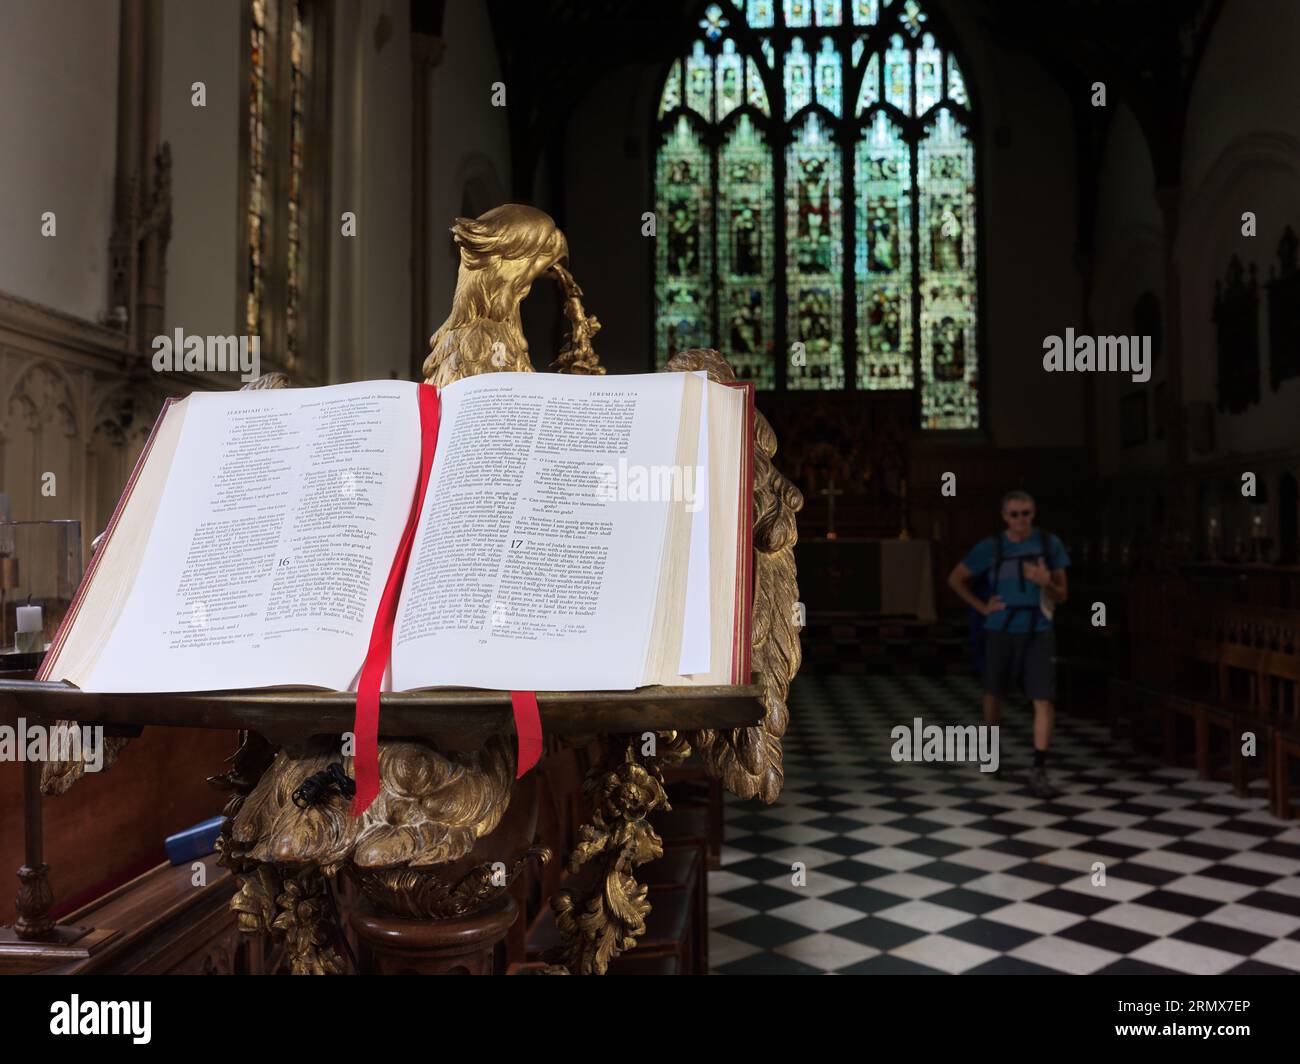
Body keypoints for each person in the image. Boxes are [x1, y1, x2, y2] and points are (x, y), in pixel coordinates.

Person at [947, 490, 1070, 798]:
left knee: (1044, 698)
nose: (1020, 520)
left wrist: (1046, 582)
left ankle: (1039, 767)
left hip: (1038, 627)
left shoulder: (1048, 544)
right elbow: (955, 578)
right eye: (1014, 514)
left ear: (1034, 512)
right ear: (1004, 516)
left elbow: (1063, 594)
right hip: (1000, 627)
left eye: (1026, 513)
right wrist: (982, 606)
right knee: (994, 693)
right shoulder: (993, 546)